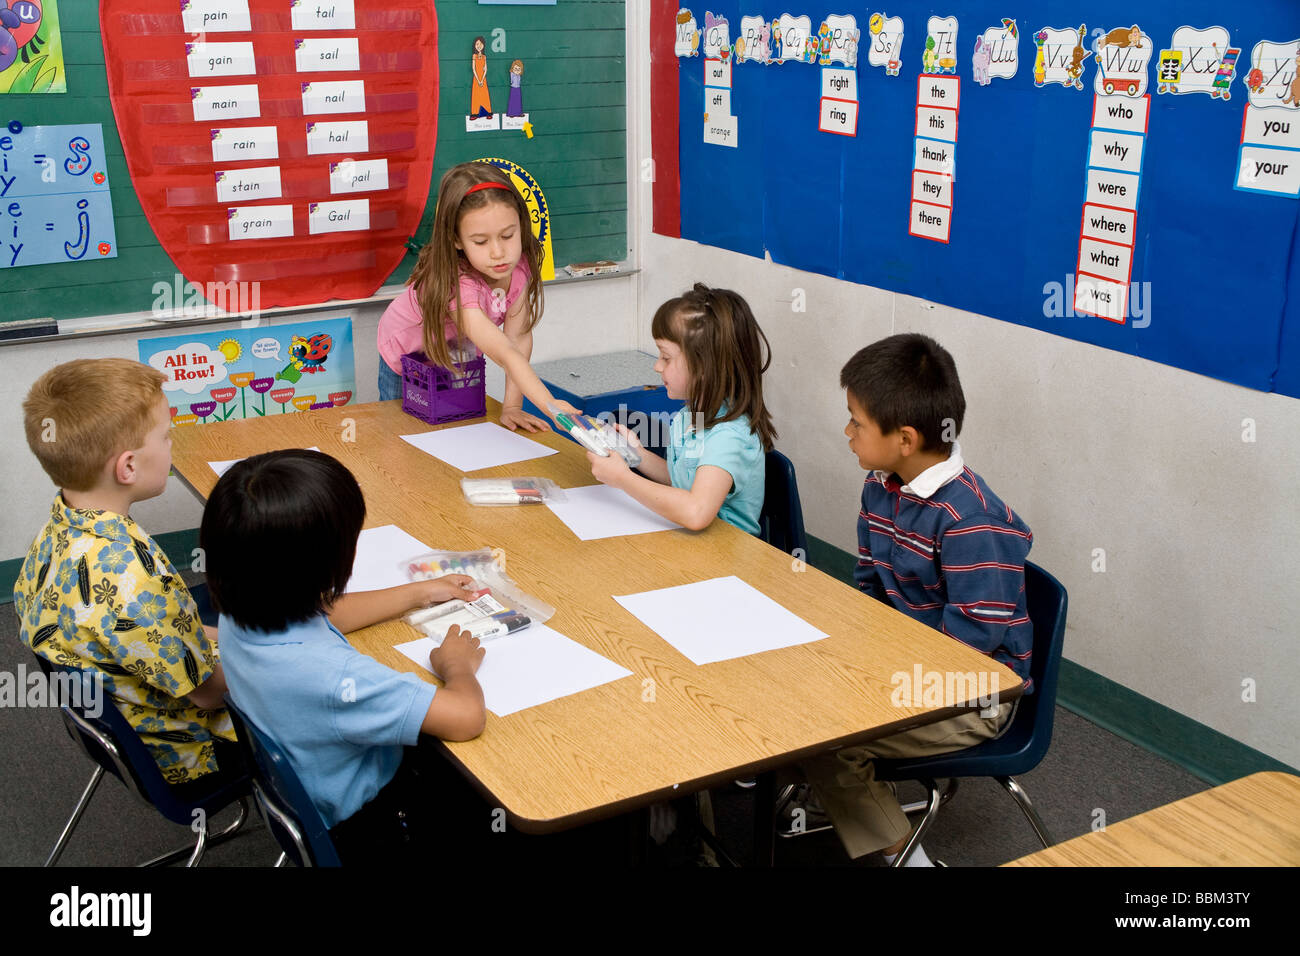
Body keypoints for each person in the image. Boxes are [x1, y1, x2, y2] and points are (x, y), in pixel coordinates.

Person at [796, 333, 1033, 866]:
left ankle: (912, 860)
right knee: (791, 691)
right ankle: (840, 800)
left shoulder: (971, 520)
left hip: (975, 693)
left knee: (830, 740)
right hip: (904, 664)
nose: (847, 432)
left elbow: (968, 652)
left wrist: (874, 685)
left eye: (857, 421)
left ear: (904, 438)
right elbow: (870, 586)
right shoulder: (881, 486)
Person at [203, 449, 488, 863]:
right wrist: (455, 665)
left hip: (309, 803)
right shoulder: (336, 679)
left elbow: (324, 609)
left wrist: (421, 591)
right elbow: (465, 717)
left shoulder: (238, 613)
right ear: (329, 565)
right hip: (375, 829)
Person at [14, 359, 240, 792]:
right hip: (190, 752)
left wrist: (210, 635)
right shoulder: (132, 581)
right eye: (168, 437)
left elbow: (157, 631)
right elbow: (210, 693)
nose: (174, 446)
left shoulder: (58, 527)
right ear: (129, 468)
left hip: (121, 721)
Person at [376, 161, 578, 431]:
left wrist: (512, 406)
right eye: (481, 242)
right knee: (402, 435)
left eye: (507, 235)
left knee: (452, 430)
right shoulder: (458, 286)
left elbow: (517, 338)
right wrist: (549, 404)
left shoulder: (520, 267)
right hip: (405, 354)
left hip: (452, 352)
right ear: (456, 240)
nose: (498, 252)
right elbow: (505, 352)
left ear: (521, 224)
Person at [586, 283, 777, 533]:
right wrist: (637, 455)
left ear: (704, 367)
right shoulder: (696, 414)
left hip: (725, 558)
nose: (657, 366)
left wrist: (623, 479)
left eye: (666, 357)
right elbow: (684, 480)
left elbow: (696, 512)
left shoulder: (729, 436)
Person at [469, 36, 492, 118]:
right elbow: (473, 69)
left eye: (481, 44)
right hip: (476, 78)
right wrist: (478, 80)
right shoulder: (474, 56)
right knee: (476, 95)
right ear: (475, 45)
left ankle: (488, 113)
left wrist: (482, 79)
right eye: (477, 44)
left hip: (483, 78)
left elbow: (485, 69)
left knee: (484, 95)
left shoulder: (484, 57)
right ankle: (475, 113)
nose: (479, 46)